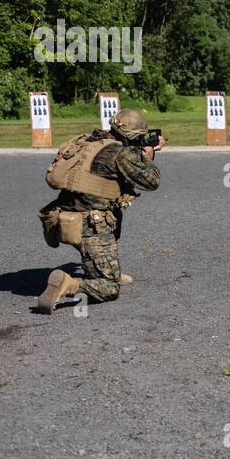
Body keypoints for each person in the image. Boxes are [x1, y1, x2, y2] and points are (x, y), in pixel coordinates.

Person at [35, 108, 164, 313]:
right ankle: (69, 284)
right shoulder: (121, 153)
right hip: (89, 225)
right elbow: (151, 182)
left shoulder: (90, 141)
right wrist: (148, 157)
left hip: (62, 216)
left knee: (114, 208)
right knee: (110, 288)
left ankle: (105, 268)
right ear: (134, 136)